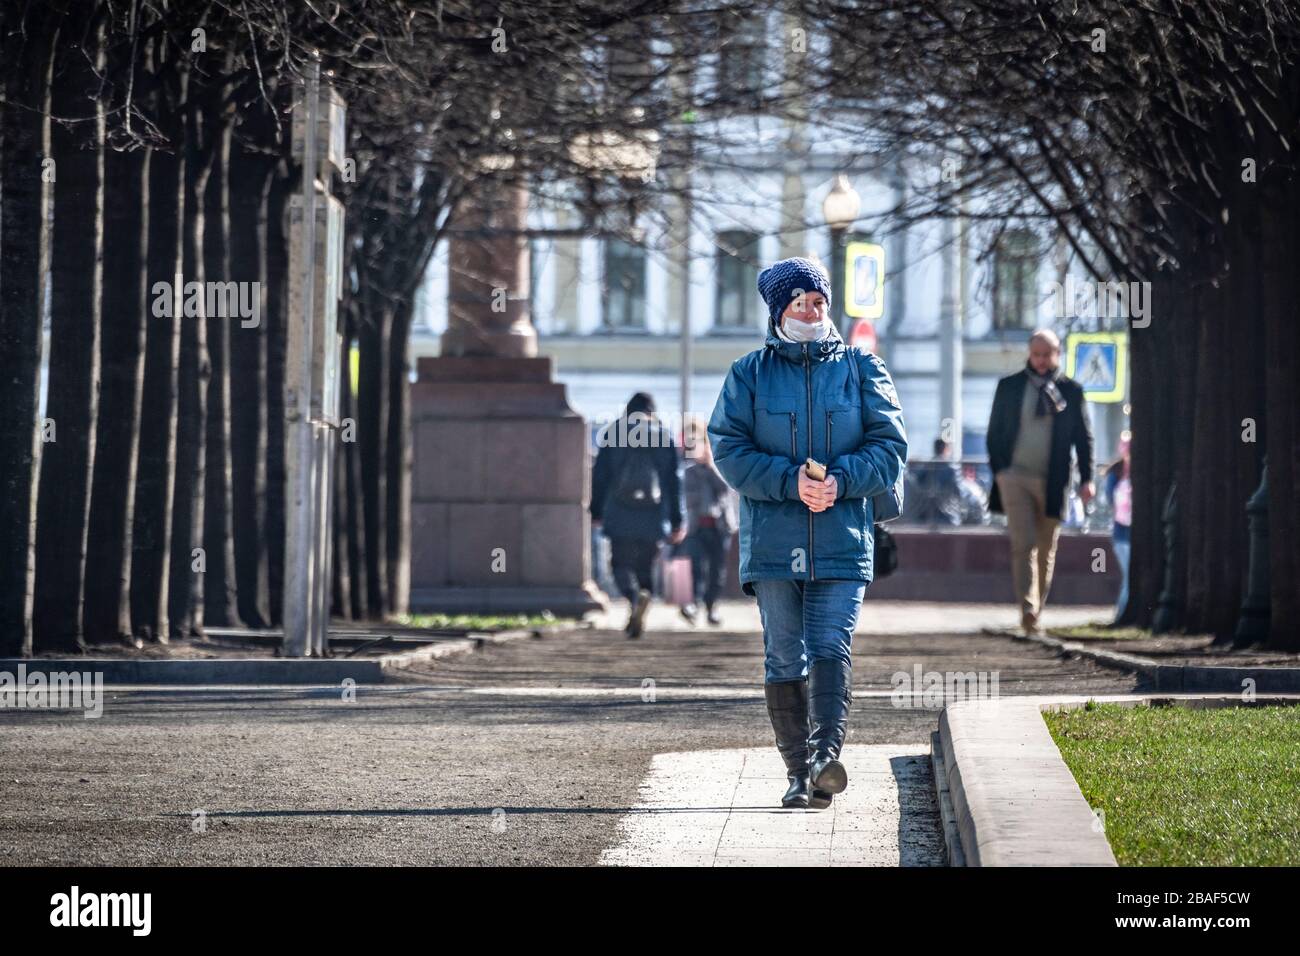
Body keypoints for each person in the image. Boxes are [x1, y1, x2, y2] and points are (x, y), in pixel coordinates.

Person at [708, 256, 907, 810]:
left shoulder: (863, 368)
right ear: (779, 311)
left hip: (844, 538)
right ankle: (798, 772)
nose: (811, 312)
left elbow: (890, 449)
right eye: (799, 304)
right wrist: (788, 481)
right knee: (783, 656)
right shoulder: (748, 373)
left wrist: (840, 481)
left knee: (829, 646)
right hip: (773, 543)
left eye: (818, 302)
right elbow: (728, 448)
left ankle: (825, 759)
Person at [986, 329, 1094, 635]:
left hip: (1054, 481)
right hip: (1015, 478)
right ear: (1029, 355)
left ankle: (1037, 609)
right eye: (1037, 355)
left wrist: (1087, 478)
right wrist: (1001, 472)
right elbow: (994, 433)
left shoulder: (1071, 391)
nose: (1043, 361)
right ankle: (1028, 611)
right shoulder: (1009, 387)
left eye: (1048, 355)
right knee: (1025, 544)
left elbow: (1084, 438)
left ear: (1057, 355)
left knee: (1047, 548)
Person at [590, 393, 686, 638]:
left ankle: (633, 599)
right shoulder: (663, 434)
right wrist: (677, 520)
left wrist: (596, 510)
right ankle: (644, 594)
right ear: (651, 411)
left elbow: (599, 476)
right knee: (645, 564)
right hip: (654, 513)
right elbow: (674, 482)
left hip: (619, 510)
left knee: (620, 563)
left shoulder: (614, 432)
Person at [679, 417, 739, 626]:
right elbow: (689, 497)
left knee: (717, 570)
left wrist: (710, 466)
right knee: (696, 567)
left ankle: (711, 606)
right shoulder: (688, 470)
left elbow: (726, 489)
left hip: (719, 526)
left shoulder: (719, 466)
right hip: (696, 526)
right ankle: (693, 604)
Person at [1104, 431, 1132, 624]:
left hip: (1122, 533)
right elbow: (1110, 500)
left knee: (1129, 577)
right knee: (1129, 578)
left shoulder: (1116, 473)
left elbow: (1109, 499)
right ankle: (1121, 615)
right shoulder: (1116, 473)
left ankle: (1122, 614)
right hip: (1122, 535)